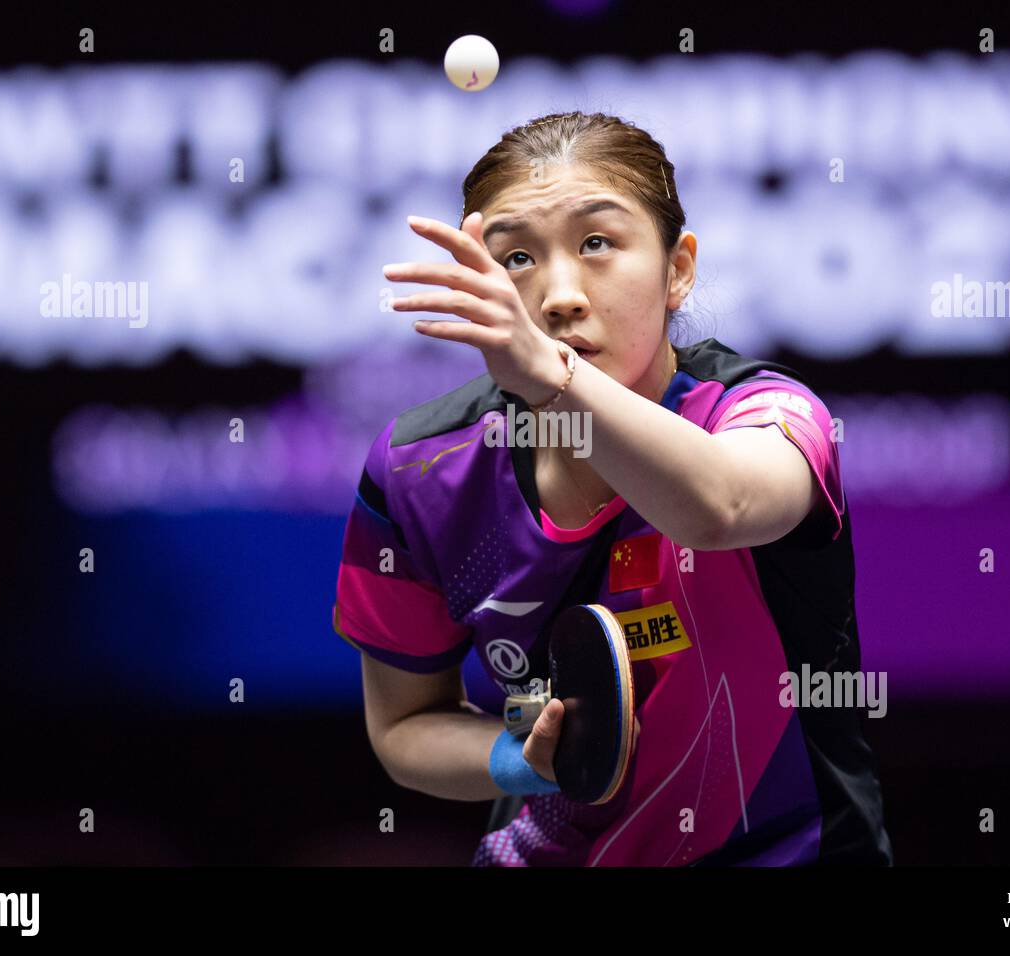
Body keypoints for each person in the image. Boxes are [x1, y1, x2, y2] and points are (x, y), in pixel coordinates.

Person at [332, 111, 893, 866]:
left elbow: (721, 506)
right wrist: (520, 762)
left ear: (678, 270)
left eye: (597, 242)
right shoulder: (420, 471)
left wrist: (555, 379)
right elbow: (403, 727)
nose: (560, 295)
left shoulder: (769, 416)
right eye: (517, 257)